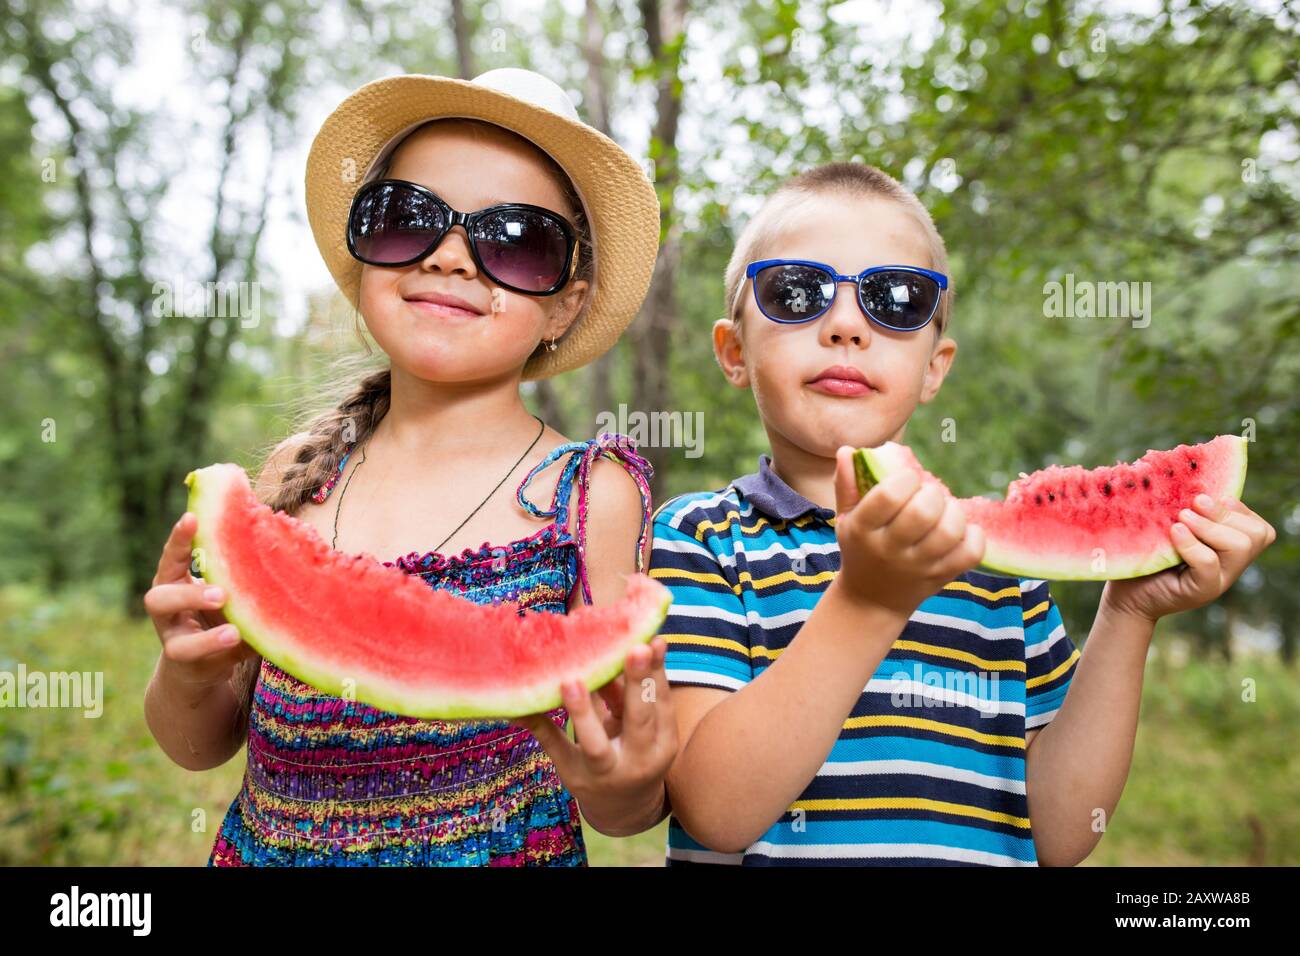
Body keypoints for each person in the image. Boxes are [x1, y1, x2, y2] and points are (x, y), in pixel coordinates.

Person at [651, 161, 1276, 866]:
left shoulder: (1000, 575)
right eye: (796, 293)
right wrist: (868, 602)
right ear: (734, 352)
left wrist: (1128, 614)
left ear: (935, 368)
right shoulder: (701, 539)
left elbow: (1063, 833)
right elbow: (714, 810)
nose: (847, 325)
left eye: (897, 299)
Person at [143, 68, 678, 866]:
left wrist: (628, 780)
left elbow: (623, 811)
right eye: (407, 219)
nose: (453, 258)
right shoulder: (301, 474)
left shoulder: (586, 495)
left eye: (518, 241)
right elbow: (200, 747)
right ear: (365, 256)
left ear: (563, 305)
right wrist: (187, 676)